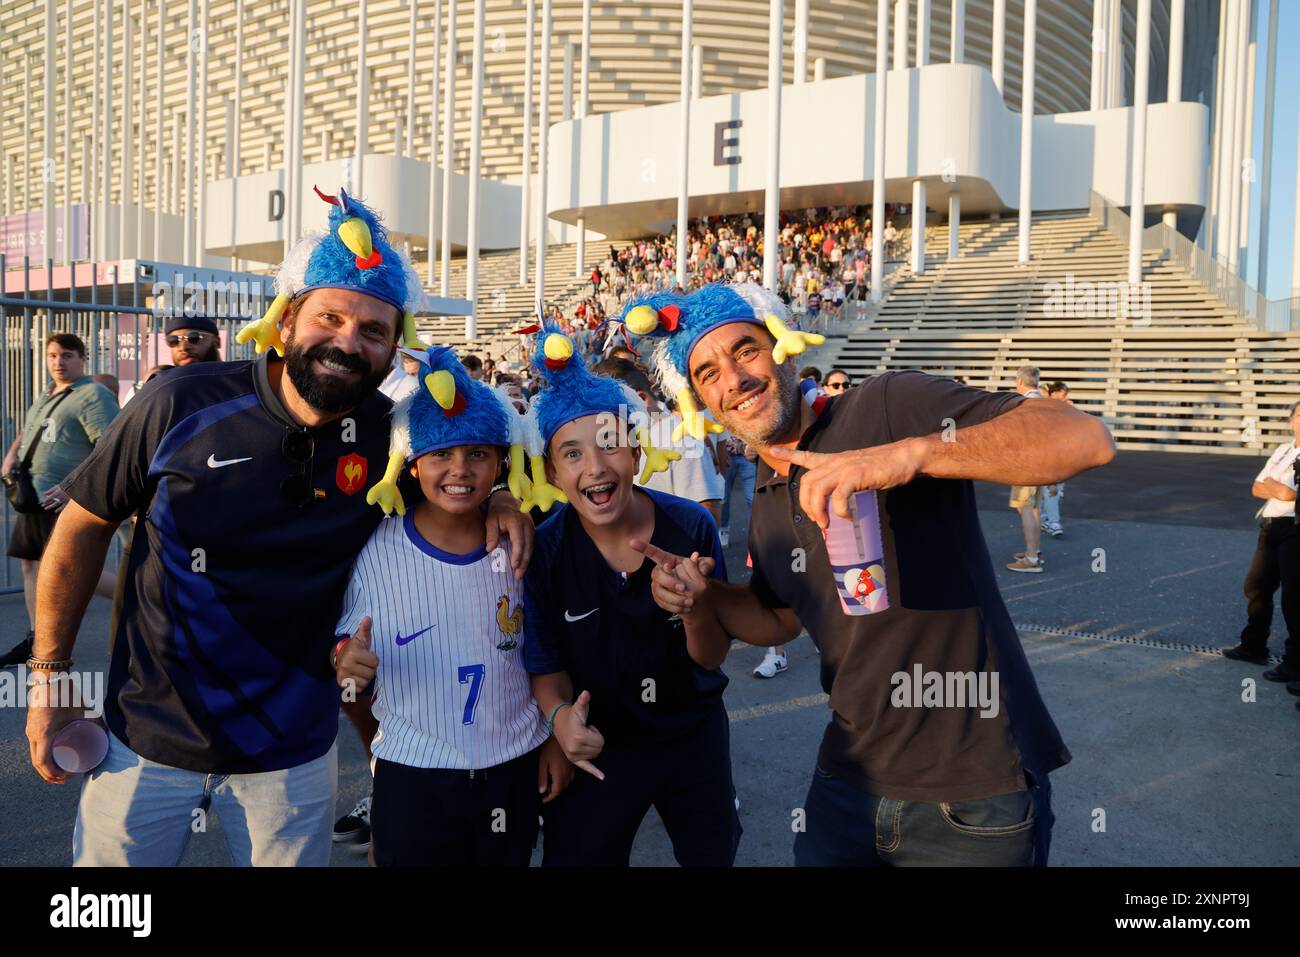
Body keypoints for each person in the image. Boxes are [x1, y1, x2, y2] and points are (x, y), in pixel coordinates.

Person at [23, 186, 532, 866]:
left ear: (391, 349)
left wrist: (499, 496)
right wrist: (51, 677)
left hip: (292, 755)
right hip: (144, 741)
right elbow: (81, 528)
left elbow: (455, 482)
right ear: (287, 319)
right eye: (330, 317)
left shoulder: (391, 437)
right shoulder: (178, 402)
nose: (347, 342)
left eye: (373, 330)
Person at [624, 280, 1114, 866]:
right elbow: (779, 618)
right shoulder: (768, 491)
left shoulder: (885, 405)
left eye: (745, 350)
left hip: (976, 789)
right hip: (849, 780)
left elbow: (1083, 437)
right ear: (701, 401)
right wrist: (705, 597)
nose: (734, 379)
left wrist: (907, 455)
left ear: (784, 348)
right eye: (707, 373)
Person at [333, 344, 568, 866]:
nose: (459, 469)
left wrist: (554, 737)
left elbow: (548, 654)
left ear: (501, 463)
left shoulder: (525, 541)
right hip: (412, 773)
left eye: (478, 454)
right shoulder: (373, 545)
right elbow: (345, 643)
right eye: (441, 454)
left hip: (513, 766)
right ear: (412, 465)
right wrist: (345, 661)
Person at [520, 327, 741, 867]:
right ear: (551, 472)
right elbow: (546, 669)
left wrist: (695, 611)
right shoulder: (545, 550)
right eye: (571, 454)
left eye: (608, 444)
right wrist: (559, 722)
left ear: (636, 452)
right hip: (599, 747)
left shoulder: (689, 526)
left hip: (692, 736)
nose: (594, 467)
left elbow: (711, 656)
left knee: (712, 854)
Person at [1, 333, 120, 669]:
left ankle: (139, 600)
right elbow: (29, 430)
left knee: (73, 569)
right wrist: (11, 456)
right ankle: (37, 639)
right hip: (34, 496)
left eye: (67, 355)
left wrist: (74, 485)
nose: (58, 362)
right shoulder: (49, 394)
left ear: (82, 359)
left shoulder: (92, 394)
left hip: (64, 499)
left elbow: (108, 446)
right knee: (32, 565)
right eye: (52, 355)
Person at [1221, 401, 1300, 685]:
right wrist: (1278, 488)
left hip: (1294, 528)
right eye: (1299, 415)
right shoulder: (1282, 451)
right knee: (1256, 586)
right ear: (1290, 420)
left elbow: (1292, 497)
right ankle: (1254, 646)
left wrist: (1276, 487)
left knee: (1294, 598)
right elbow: (1257, 487)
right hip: (1270, 526)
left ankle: (1294, 664)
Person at [1007, 365, 1047, 572]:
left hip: (1027, 462)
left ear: (1020, 382)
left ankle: (1031, 559)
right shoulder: (1043, 400)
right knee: (1033, 508)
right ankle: (1035, 550)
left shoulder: (1024, 403)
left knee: (1024, 508)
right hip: (1042, 461)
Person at [1040, 381, 1071, 538]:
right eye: (1063, 394)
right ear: (1054, 393)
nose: (1065, 397)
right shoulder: (1047, 410)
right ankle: (1053, 522)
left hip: (1062, 455)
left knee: (1055, 491)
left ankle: (1044, 519)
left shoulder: (1064, 409)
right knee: (1051, 489)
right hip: (1049, 454)